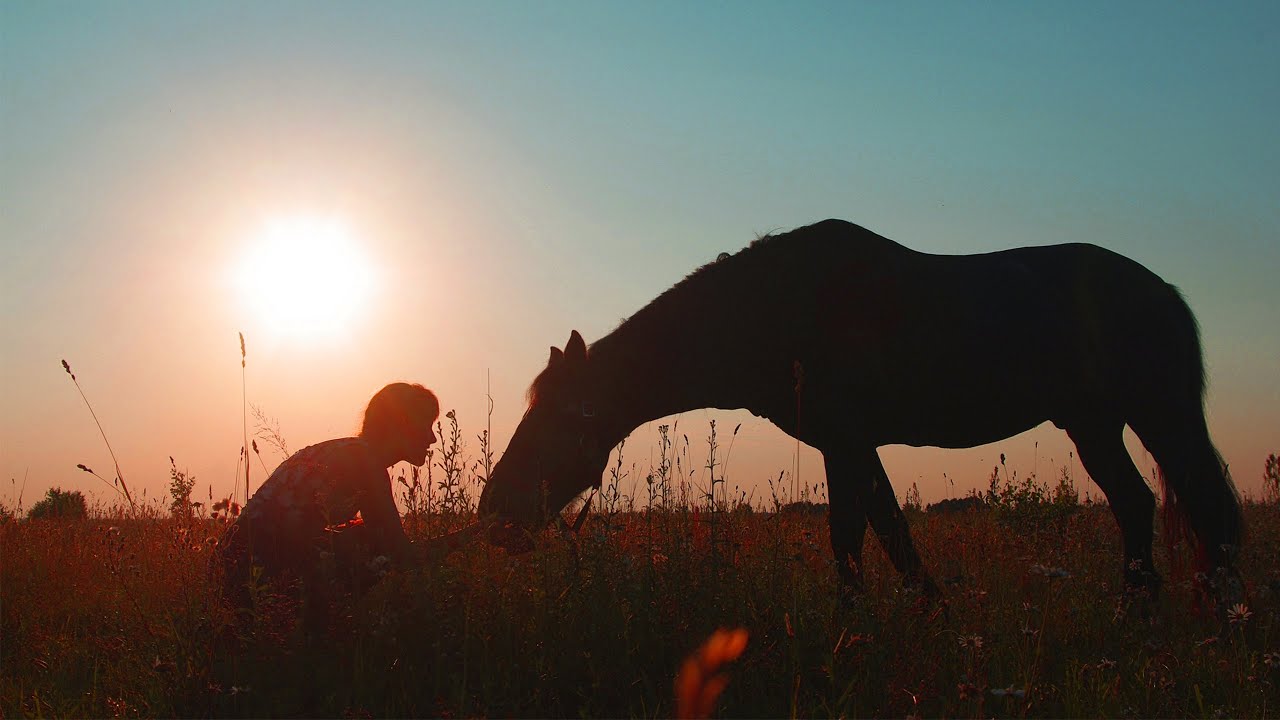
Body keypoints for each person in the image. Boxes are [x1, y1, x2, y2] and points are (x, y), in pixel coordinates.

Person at [218, 382, 441, 623]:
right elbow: (400, 553)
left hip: (228, 570)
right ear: (402, 425)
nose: (433, 438)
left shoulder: (345, 451)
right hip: (255, 580)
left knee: (361, 535)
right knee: (370, 546)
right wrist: (477, 534)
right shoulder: (365, 463)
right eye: (426, 426)